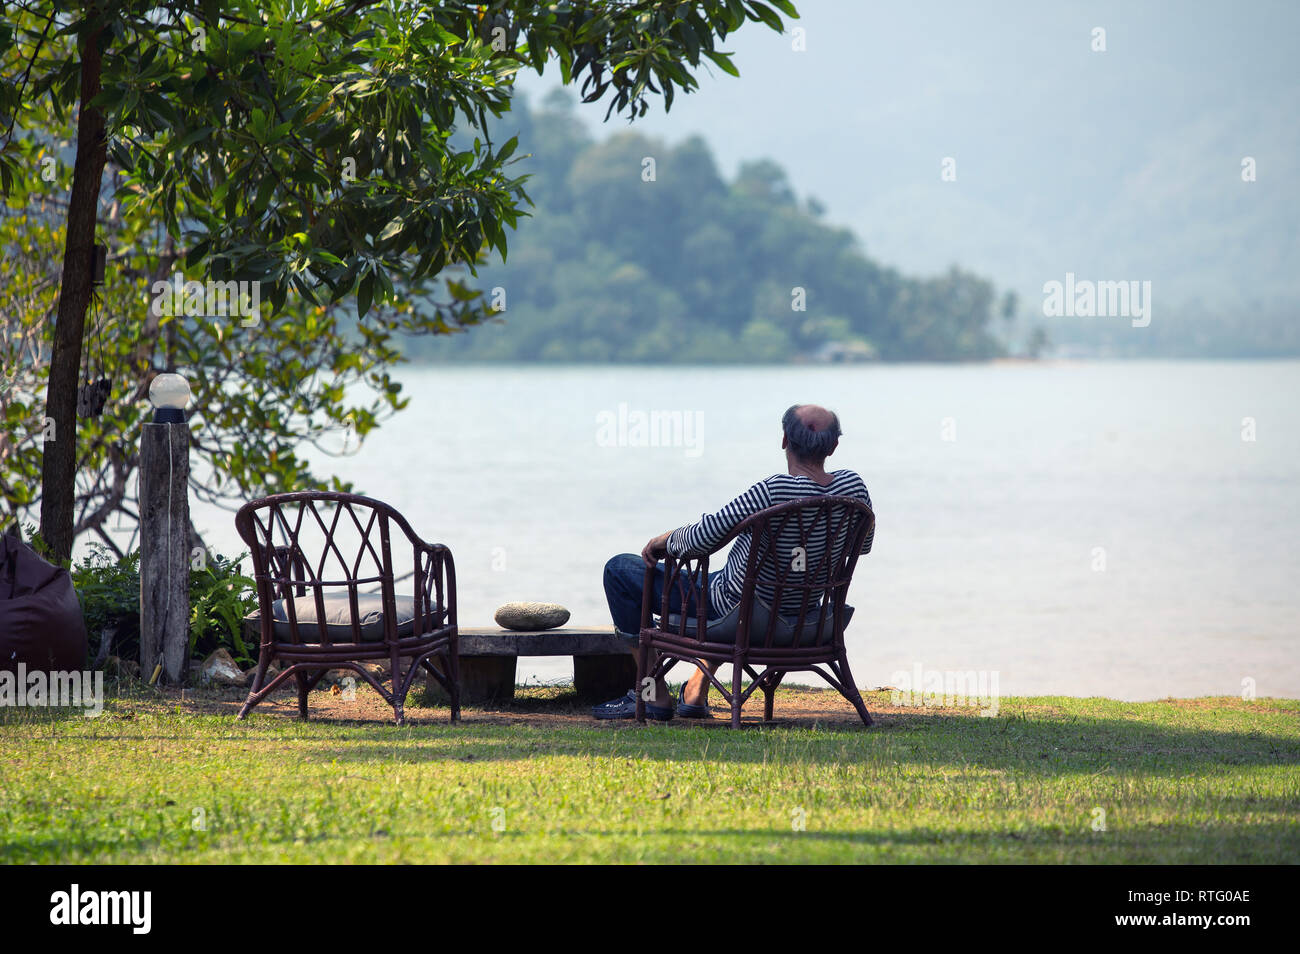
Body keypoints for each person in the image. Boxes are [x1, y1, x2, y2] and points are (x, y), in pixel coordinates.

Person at [594, 403, 874, 720]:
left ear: (784, 440)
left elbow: (702, 539)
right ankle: (695, 691)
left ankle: (653, 694)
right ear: (834, 446)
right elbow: (862, 546)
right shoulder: (854, 488)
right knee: (733, 579)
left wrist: (664, 540)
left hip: (741, 613)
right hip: (806, 613)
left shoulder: (770, 491)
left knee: (619, 570)